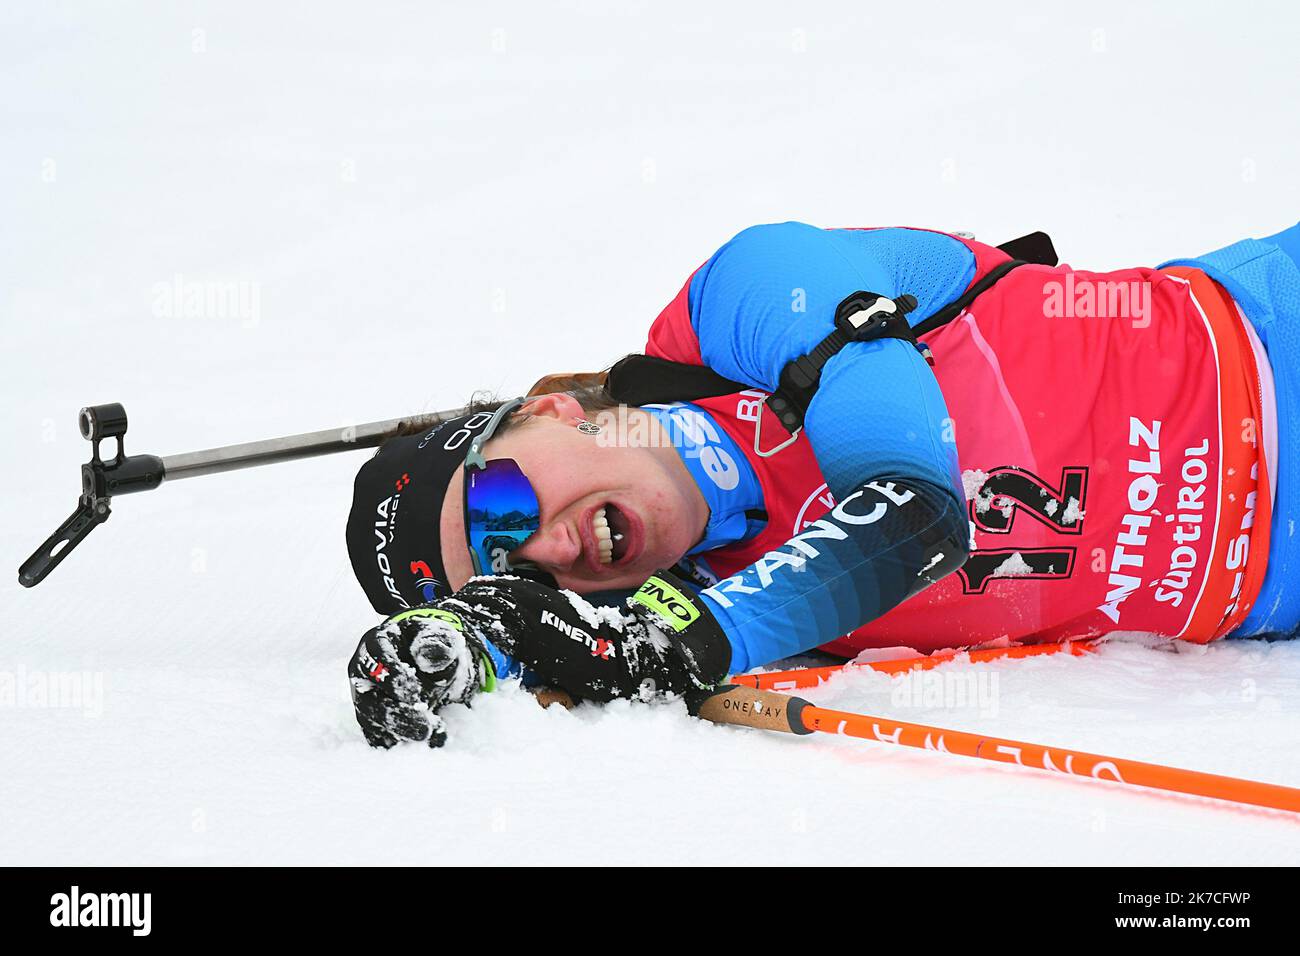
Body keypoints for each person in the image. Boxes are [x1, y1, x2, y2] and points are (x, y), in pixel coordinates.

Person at [345, 220, 1300, 748]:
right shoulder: (707, 601)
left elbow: (914, 515)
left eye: (502, 505)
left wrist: (670, 646)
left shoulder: (739, 302)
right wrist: (485, 646)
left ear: (549, 414)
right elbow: (584, 653)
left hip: (1272, 348)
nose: (550, 548)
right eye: (519, 574)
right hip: (1275, 596)